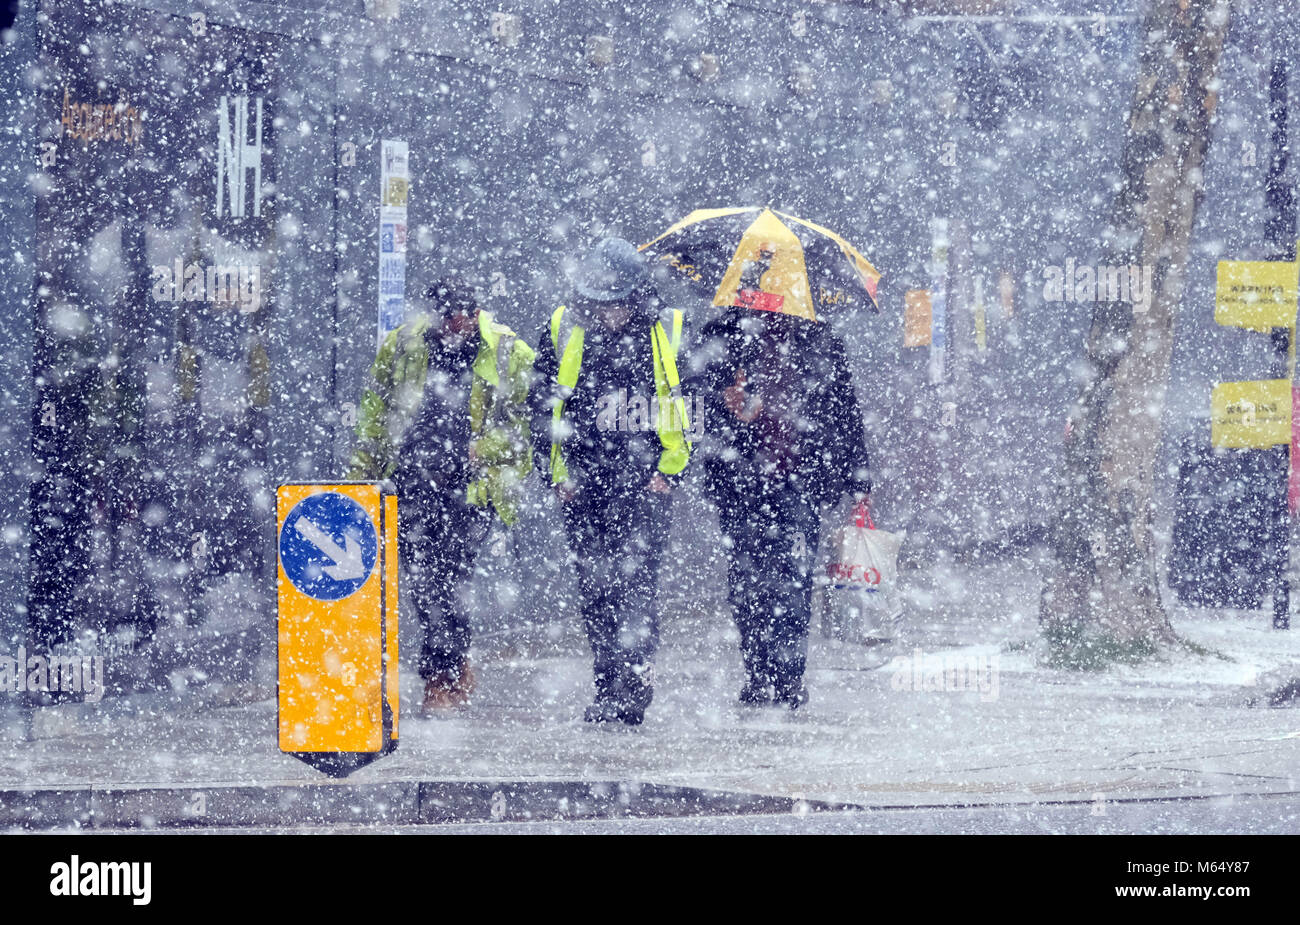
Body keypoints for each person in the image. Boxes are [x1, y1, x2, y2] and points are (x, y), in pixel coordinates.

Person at [347, 277, 535, 712]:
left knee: (448, 583)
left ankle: (440, 678)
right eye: (447, 316)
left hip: (471, 490)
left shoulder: (509, 352)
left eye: (464, 315)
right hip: (412, 482)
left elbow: (527, 428)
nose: (456, 325)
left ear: (477, 311)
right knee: (427, 584)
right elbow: (376, 410)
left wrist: (483, 448)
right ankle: (452, 665)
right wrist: (361, 474)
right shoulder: (403, 345)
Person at [531, 238, 691, 725]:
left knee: (636, 587)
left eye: (617, 303)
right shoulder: (562, 328)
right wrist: (556, 474)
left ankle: (633, 685)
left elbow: (688, 403)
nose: (609, 314)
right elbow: (541, 405)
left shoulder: (667, 329)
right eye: (600, 303)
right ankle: (608, 685)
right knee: (595, 591)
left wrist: (669, 472)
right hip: (584, 485)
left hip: (644, 485)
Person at [689, 307, 871, 709]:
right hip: (740, 483)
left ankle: (788, 677)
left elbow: (843, 409)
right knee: (746, 583)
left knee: (794, 580)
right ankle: (757, 672)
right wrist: (729, 409)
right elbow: (695, 404)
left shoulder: (819, 340)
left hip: (799, 482)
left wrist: (858, 478)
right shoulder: (721, 336)